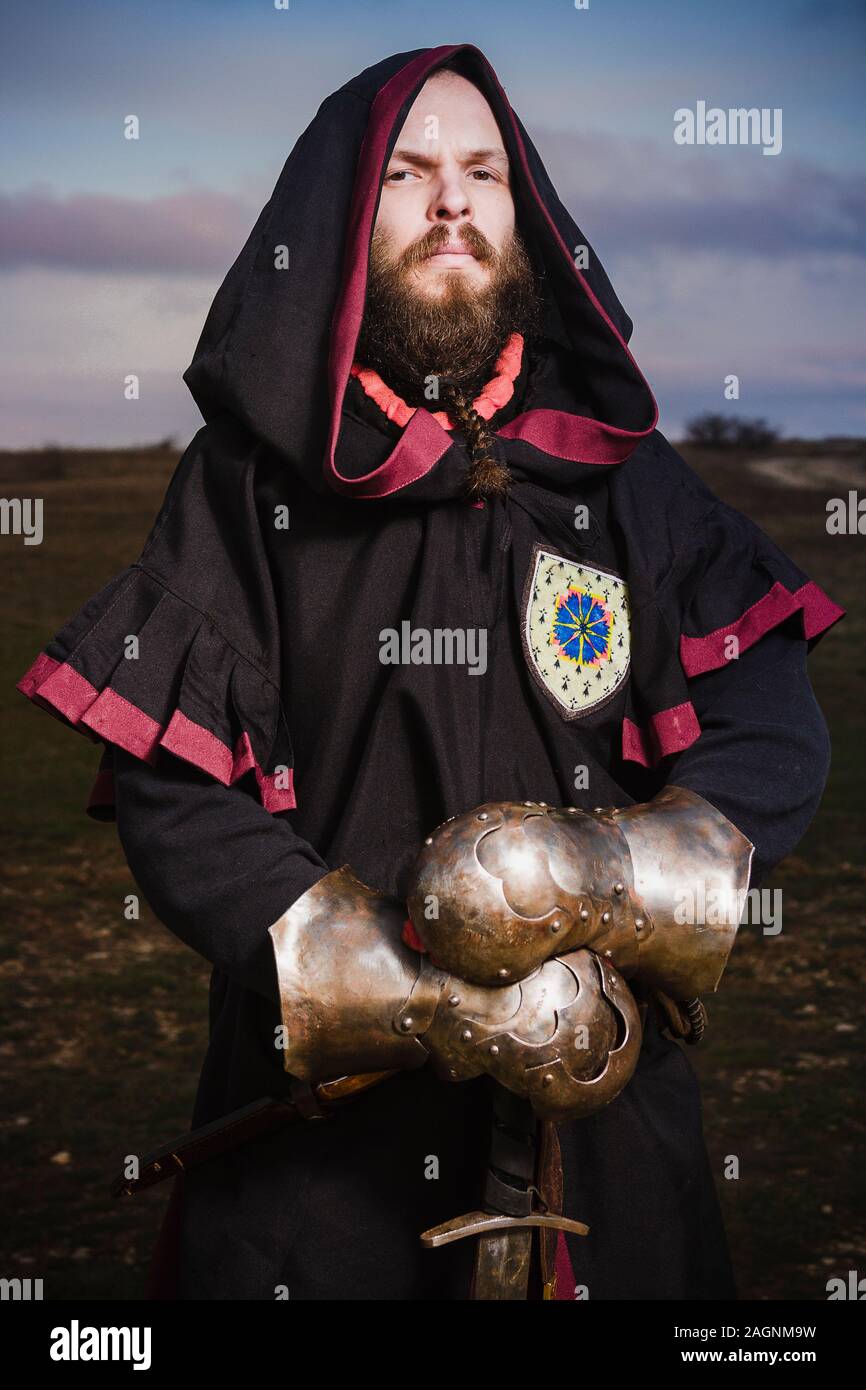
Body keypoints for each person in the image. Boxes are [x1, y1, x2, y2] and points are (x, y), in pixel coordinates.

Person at [16, 44, 843, 1302]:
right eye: (408, 174)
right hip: (320, 1164)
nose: (453, 201)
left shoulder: (623, 475)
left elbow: (768, 725)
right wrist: (421, 996)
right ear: (344, 222)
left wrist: (605, 882)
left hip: (604, 1124)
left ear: (523, 214)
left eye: (482, 172)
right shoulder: (244, 490)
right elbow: (176, 802)